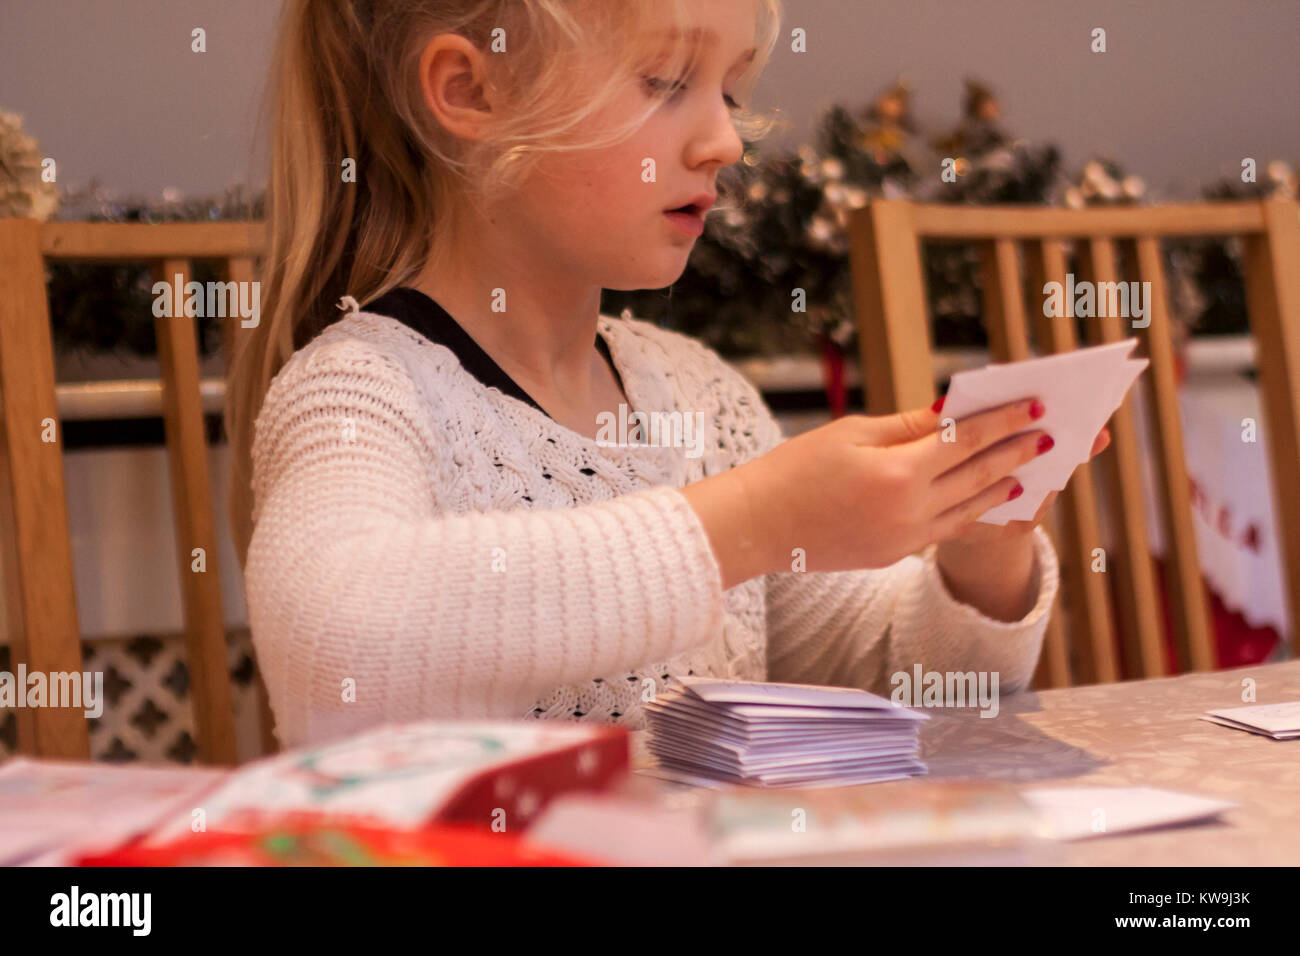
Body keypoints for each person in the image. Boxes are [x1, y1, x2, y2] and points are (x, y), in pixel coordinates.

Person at [224, 0, 1111, 749]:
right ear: (472, 91)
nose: (725, 140)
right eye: (664, 82)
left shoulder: (698, 394)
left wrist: (981, 543)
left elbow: (904, 688)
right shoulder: (361, 390)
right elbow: (332, 644)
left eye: (730, 90)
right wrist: (756, 518)